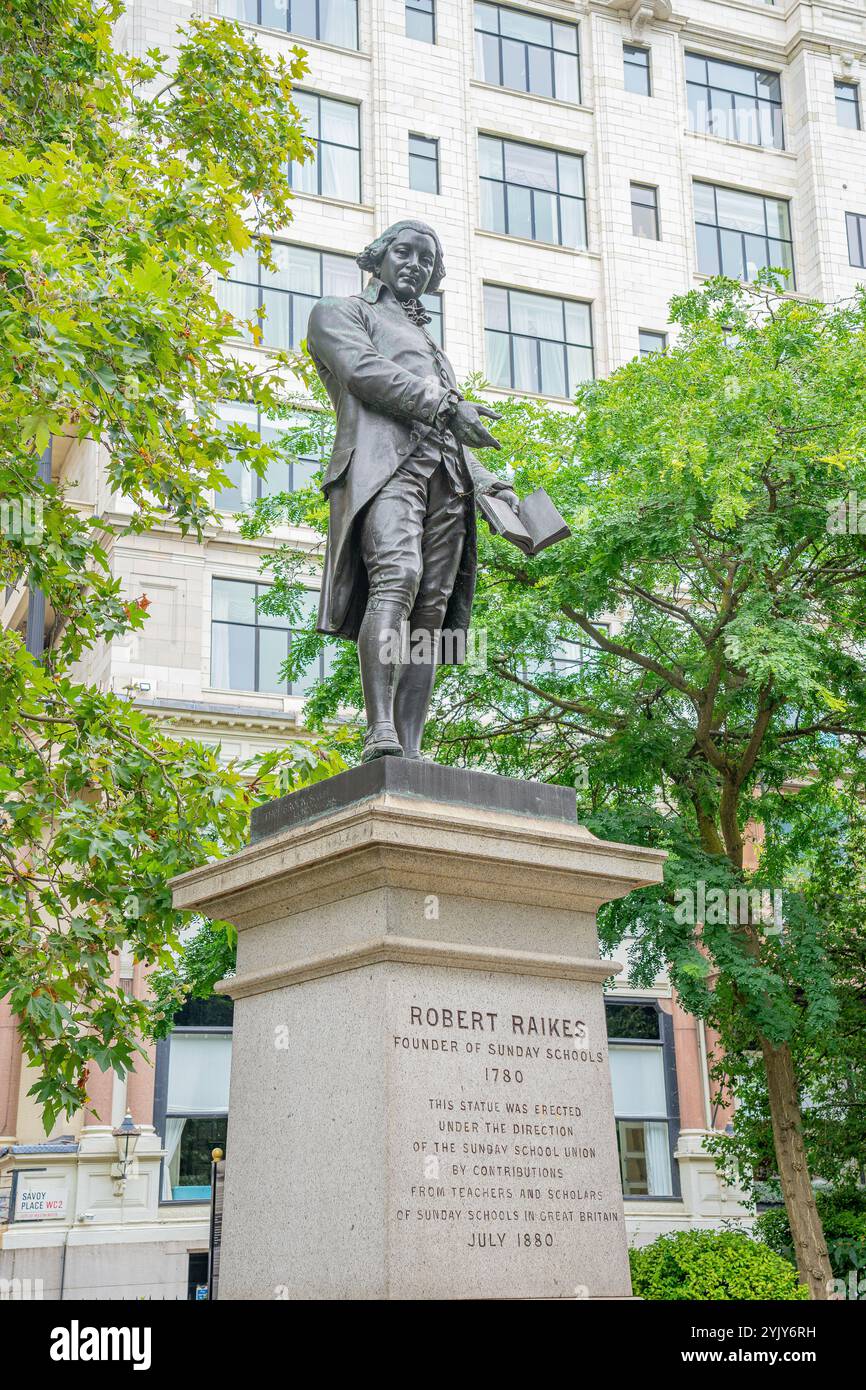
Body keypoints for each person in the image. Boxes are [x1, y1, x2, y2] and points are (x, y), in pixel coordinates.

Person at [307, 219, 518, 761]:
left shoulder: (433, 348)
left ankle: (412, 747)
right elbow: (364, 371)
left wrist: (491, 483)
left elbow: (452, 426)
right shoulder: (341, 312)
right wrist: (447, 406)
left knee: (433, 613)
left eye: (426, 260)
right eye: (404, 252)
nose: (415, 265)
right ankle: (380, 732)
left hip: (447, 476)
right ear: (378, 258)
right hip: (385, 468)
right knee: (397, 577)